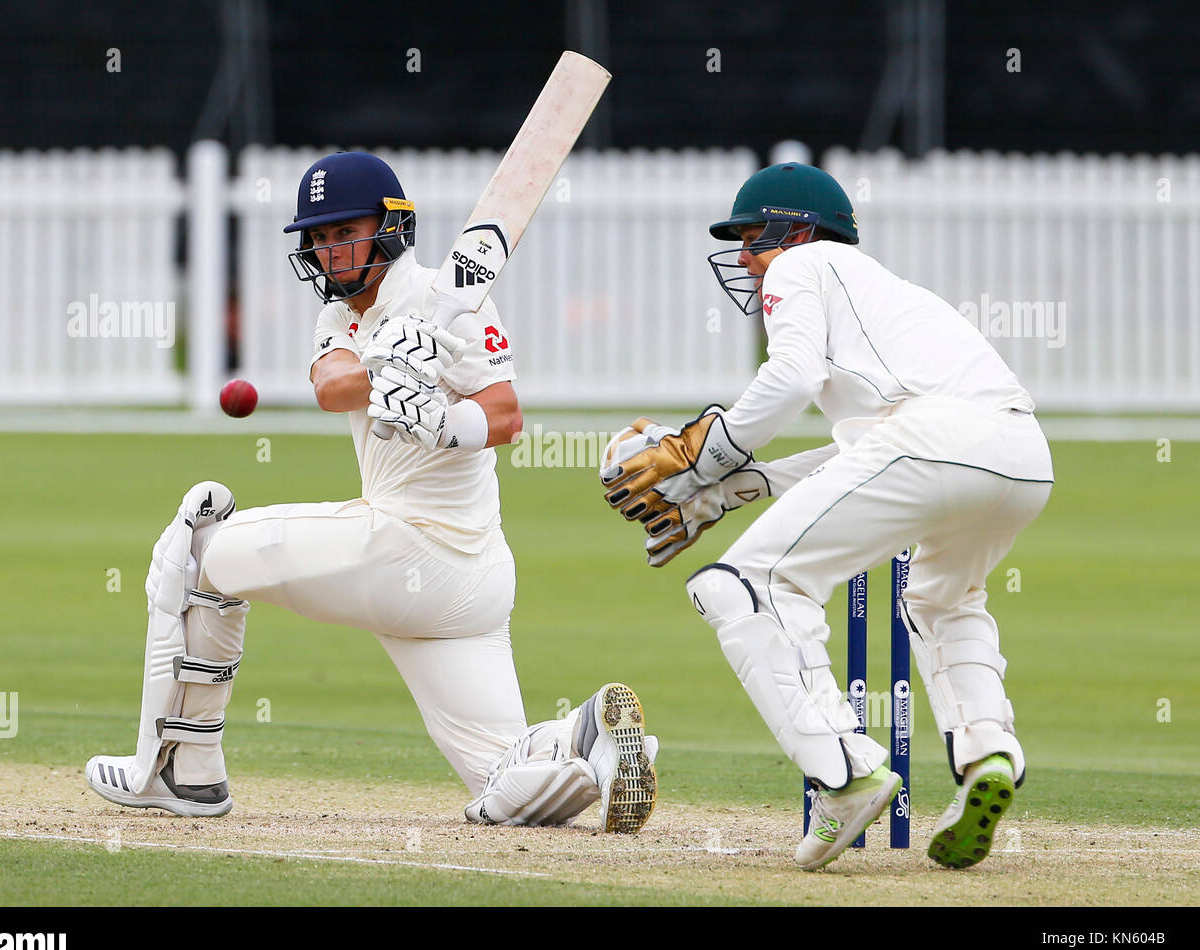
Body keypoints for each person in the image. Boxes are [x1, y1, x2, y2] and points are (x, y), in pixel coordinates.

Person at [85, 151, 657, 834]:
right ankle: (588, 743)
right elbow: (332, 387)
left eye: (343, 232)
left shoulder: (453, 303)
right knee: (501, 782)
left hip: (415, 548)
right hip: (455, 586)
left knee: (199, 538)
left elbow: (505, 416)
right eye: (318, 239)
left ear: (390, 228)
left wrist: (440, 419)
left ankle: (180, 768)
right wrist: (393, 361)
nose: (329, 252)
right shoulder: (340, 315)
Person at [600, 162, 1052, 869]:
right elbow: (863, 460)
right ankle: (988, 754)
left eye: (752, 240)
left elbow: (790, 377)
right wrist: (720, 492)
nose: (746, 261)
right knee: (943, 602)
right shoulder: (891, 301)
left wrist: (695, 459)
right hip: (1022, 457)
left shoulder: (803, 265)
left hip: (933, 448)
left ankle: (844, 772)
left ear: (796, 229)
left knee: (746, 585)